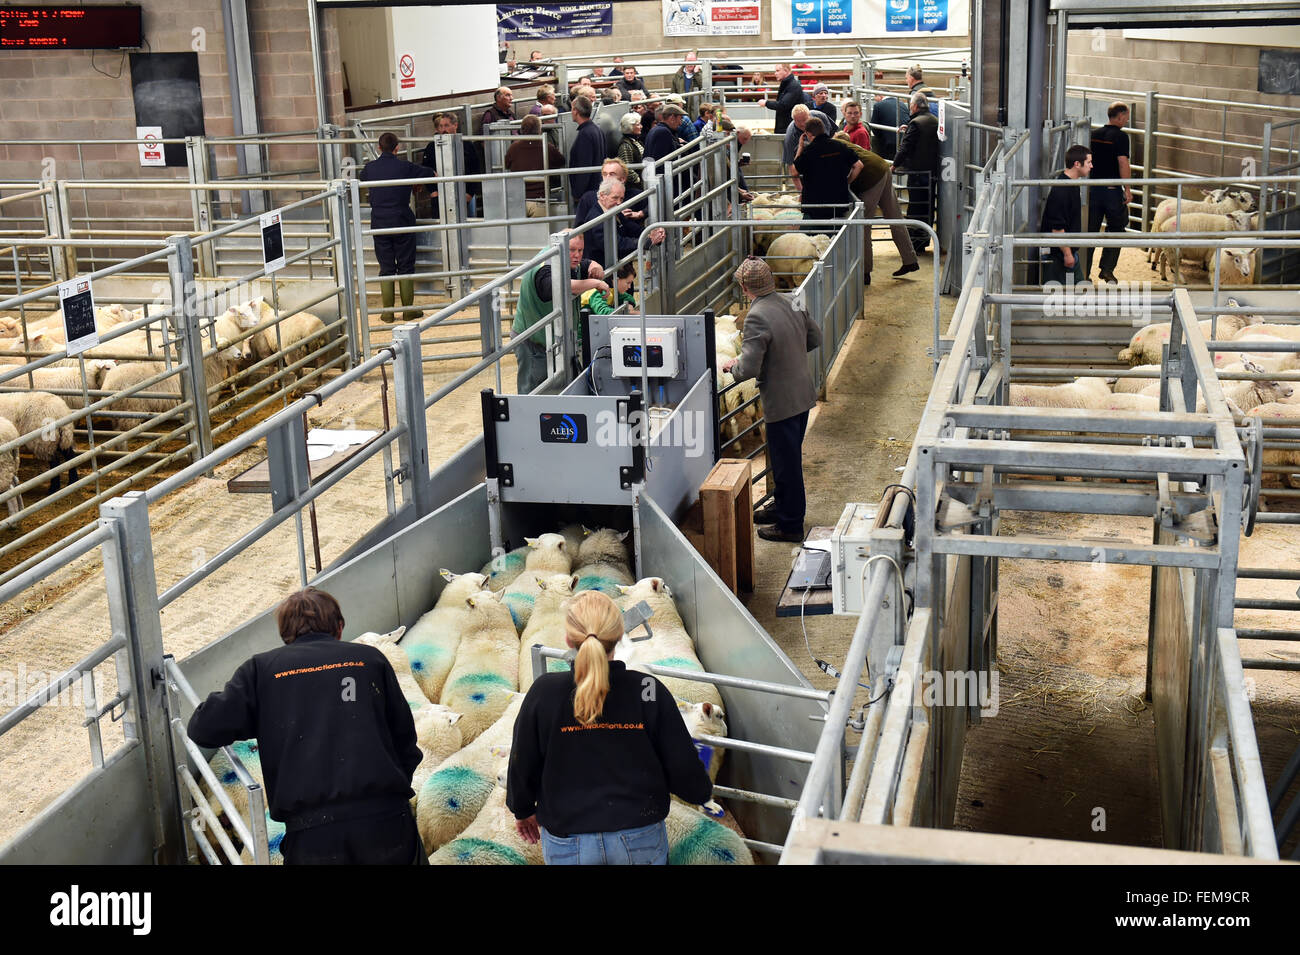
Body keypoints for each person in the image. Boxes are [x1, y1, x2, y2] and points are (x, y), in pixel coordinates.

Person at [187, 588, 424, 865]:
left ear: (285, 633)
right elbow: (406, 739)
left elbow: (202, 728)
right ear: (339, 627)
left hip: (313, 838)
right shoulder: (369, 660)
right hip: (387, 823)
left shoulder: (261, 671)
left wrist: (263, 717)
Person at [506, 590, 713, 865]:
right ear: (619, 636)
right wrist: (699, 791)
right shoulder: (647, 690)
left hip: (568, 840)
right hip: (639, 836)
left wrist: (522, 809)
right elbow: (683, 767)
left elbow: (523, 762)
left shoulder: (544, 693)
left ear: (568, 639)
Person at [721, 258, 822, 543]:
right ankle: (781, 507)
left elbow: (749, 369)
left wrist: (733, 367)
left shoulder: (756, 316)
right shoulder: (793, 300)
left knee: (786, 463)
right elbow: (814, 338)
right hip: (802, 393)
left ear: (744, 287)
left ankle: (790, 525)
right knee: (782, 461)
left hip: (781, 401)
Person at [511, 233, 607, 393]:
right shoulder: (544, 270)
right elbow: (557, 286)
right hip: (532, 341)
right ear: (559, 247)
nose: (577, 255)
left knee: (554, 390)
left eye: (580, 250)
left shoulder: (563, 259)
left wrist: (593, 265)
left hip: (551, 341)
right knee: (533, 393)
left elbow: (583, 265)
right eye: (572, 250)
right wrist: (594, 282)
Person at [361, 132, 434, 322]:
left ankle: (388, 312)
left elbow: (362, 180)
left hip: (380, 223)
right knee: (405, 264)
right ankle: (408, 310)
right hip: (402, 220)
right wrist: (413, 183)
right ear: (397, 148)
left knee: (385, 266)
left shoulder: (370, 168)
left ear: (379, 148)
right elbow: (428, 173)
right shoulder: (405, 167)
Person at [833, 131, 919, 282]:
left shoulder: (835, 147)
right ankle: (910, 259)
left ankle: (865, 271)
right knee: (894, 216)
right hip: (882, 167)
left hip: (871, 177)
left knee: (863, 224)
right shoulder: (853, 147)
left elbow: (852, 169)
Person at [1086, 101, 1132, 284]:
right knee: (1117, 228)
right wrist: (1127, 189)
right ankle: (1107, 269)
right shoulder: (1121, 137)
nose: (1126, 121)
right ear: (1120, 116)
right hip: (1112, 191)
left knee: (1089, 232)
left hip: (1093, 190)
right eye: (1126, 117)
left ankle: (1084, 272)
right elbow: (1123, 162)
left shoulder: (1093, 134)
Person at [574, 179, 665, 269]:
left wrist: (653, 232)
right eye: (615, 198)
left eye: (621, 198)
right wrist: (646, 241)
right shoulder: (596, 218)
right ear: (602, 196)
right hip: (603, 272)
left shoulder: (612, 210)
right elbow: (617, 245)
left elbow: (632, 228)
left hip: (617, 268)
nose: (619, 202)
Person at [893, 91, 941, 254]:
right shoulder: (934, 120)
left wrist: (894, 165)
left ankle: (915, 242)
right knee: (927, 207)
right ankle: (924, 240)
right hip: (931, 171)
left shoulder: (916, 123)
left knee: (915, 207)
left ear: (913, 106)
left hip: (917, 172)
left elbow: (905, 148)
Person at [793, 116, 861, 228]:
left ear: (808, 134)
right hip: (838, 204)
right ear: (823, 130)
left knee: (814, 240)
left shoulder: (809, 151)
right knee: (837, 238)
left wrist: (800, 147)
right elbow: (859, 165)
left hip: (815, 206)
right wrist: (847, 182)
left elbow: (795, 171)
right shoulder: (840, 146)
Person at [1041, 144, 1092, 286]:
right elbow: (1057, 228)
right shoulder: (1062, 190)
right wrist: (1068, 254)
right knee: (1060, 294)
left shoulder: (1070, 184)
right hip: (1059, 255)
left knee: (1073, 292)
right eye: (1088, 162)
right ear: (1077, 164)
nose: (1091, 166)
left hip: (1065, 252)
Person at [422, 112, 483, 220]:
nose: (443, 129)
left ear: (455, 125)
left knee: (466, 223)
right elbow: (426, 169)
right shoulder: (431, 147)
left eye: (446, 125)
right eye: (441, 126)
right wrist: (433, 192)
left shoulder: (467, 145)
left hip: (463, 193)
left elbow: (475, 169)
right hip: (440, 194)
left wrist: (469, 193)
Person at [505, 114, 566, 217]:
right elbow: (561, 161)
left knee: (518, 232)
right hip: (540, 200)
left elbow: (506, 165)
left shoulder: (513, 147)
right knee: (539, 232)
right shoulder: (547, 146)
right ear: (539, 129)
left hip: (518, 200)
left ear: (522, 129)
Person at [784, 104, 837, 194]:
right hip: (808, 169)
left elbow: (834, 134)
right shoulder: (791, 137)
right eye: (798, 121)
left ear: (809, 116)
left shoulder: (821, 116)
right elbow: (792, 169)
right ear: (793, 120)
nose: (802, 124)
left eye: (804, 120)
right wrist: (802, 193)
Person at [568, 95, 606, 202]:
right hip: (596, 188)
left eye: (571, 108)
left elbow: (584, 166)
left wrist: (578, 193)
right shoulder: (597, 130)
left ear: (575, 111)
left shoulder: (585, 134)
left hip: (587, 194)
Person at [758, 63, 804, 135]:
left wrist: (766, 103)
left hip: (789, 128)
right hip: (786, 127)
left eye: (778, 71)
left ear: (786, 71)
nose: (775, 73)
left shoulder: (793, 86)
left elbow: (783, 105)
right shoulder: (786, 84)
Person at [869, 94, 905, 161]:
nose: (875, 100)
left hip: (889, 144)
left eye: (875, 97)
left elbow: (874, 128)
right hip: (904, 140)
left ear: (881, 95)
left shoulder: (878, 105)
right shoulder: (902, 104)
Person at [617, 112, 646, 191]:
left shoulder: (635, 141)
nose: (641, 126)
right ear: (629, 127)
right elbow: (626, 168)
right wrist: (638, 180)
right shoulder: (626, 145)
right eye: (638, 124)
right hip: (634, 188)